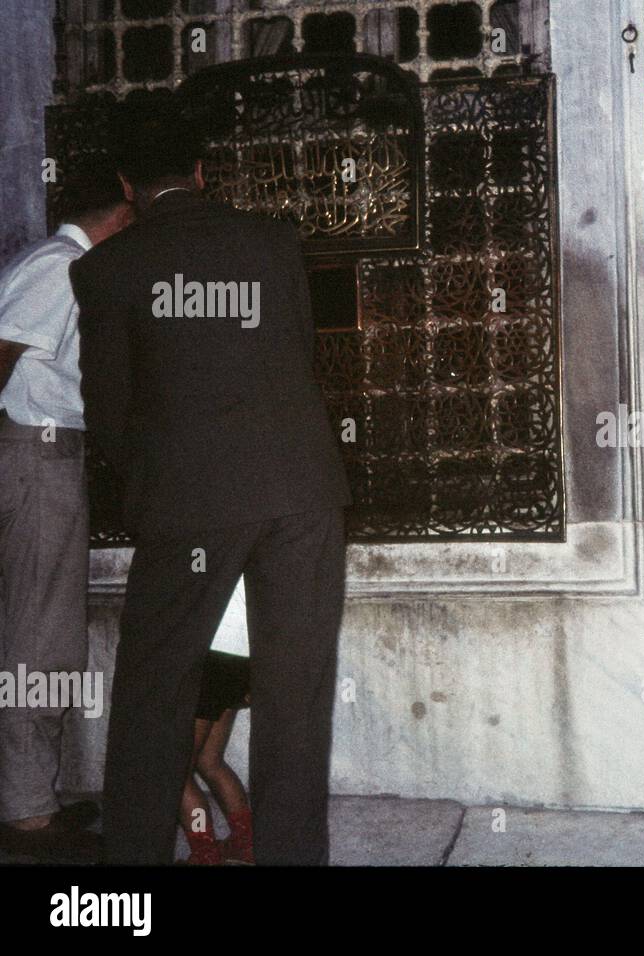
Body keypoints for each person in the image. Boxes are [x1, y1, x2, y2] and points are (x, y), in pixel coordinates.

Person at [70, 102, 351, 865]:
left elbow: (110, 412)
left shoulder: (106, 269)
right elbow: (298, 355)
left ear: (127, 185)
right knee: (295, 698)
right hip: (303, 491)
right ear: (201, 172)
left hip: (189, 501)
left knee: (154, 695)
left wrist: (160, 481)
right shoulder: (274, 241)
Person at [0, 166, 134, 862]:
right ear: (124, 212)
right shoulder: (62, 266)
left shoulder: (53, 260)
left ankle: (31, 797)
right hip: (37, 452)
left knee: (37, 627)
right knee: (41, 634)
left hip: (42, 452)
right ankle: (27, 814)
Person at [179, 577, 253, 865]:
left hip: (211, 652)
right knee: (209, 760)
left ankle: (205, 854)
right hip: (243, 653)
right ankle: (246, 845)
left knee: (176, 771)